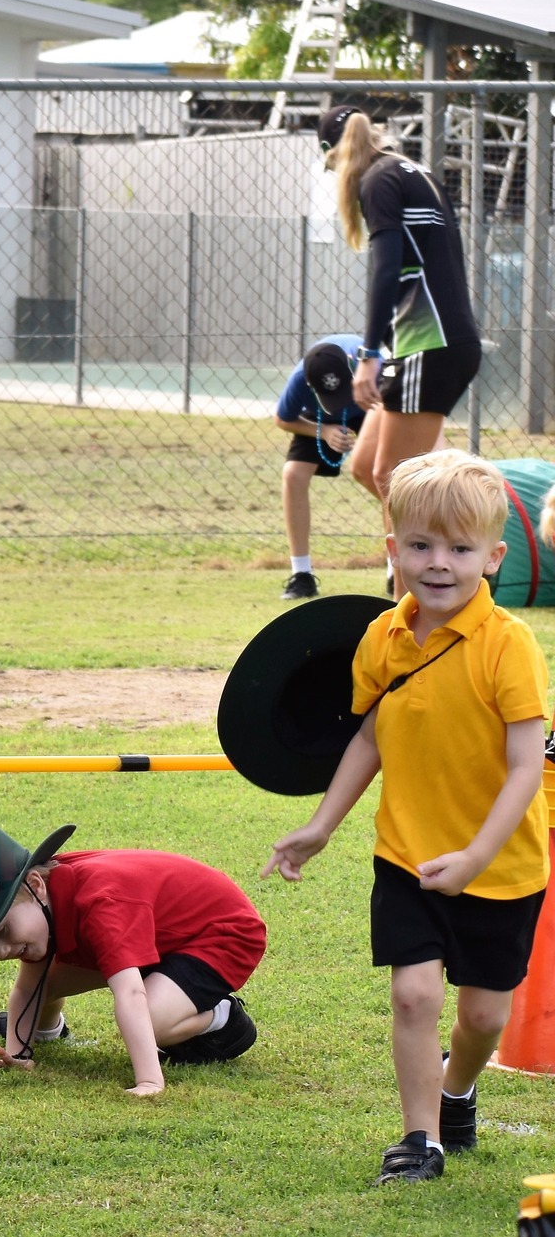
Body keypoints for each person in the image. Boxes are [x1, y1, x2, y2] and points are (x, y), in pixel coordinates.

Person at [265, 449, 548, 1185]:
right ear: (393, 549)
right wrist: (322, 824)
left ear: (494, 556)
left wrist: (479, 856)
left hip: (502, 868)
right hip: (408, 856)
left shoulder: (509, 646)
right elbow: (369, 736)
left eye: (460, 548)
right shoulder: (382, 637)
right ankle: (420, 1139)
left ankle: (458, 1089)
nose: (439, 563)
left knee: (484, 1017)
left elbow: (526, 767)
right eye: (421, 545)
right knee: (415, 992)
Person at [0, 822, 266, 1096]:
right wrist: (19, 1055)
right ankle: (48, 1032)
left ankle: (222, 1017)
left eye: (4, 929)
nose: (3, 951)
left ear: (37, 885)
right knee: (47, 980)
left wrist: (149, 1081)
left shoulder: (101, 905)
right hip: (156, 933)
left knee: (153, 1019)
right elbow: (27, 990)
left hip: (218, 934)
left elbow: (130, 993)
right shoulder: (44, 905)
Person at [319, 106, 482, 567]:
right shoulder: (413, 171)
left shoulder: (376, 181)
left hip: (428, 344)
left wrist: (369, 354)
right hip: (438, 341)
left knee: (394, 477)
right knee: (368, 467)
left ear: (338, 155)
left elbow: (388, 269)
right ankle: (454, 551)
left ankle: (425, 590)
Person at [273, 334, 366, 600]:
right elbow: (282, 418)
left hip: (371, 409)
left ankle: (396, 572)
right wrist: (324, 431)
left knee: (385, 473)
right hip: (321, 420)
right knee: (293, 475)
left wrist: (367, 444)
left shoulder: (370, 365)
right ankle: (301, 575)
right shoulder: (301, 377)